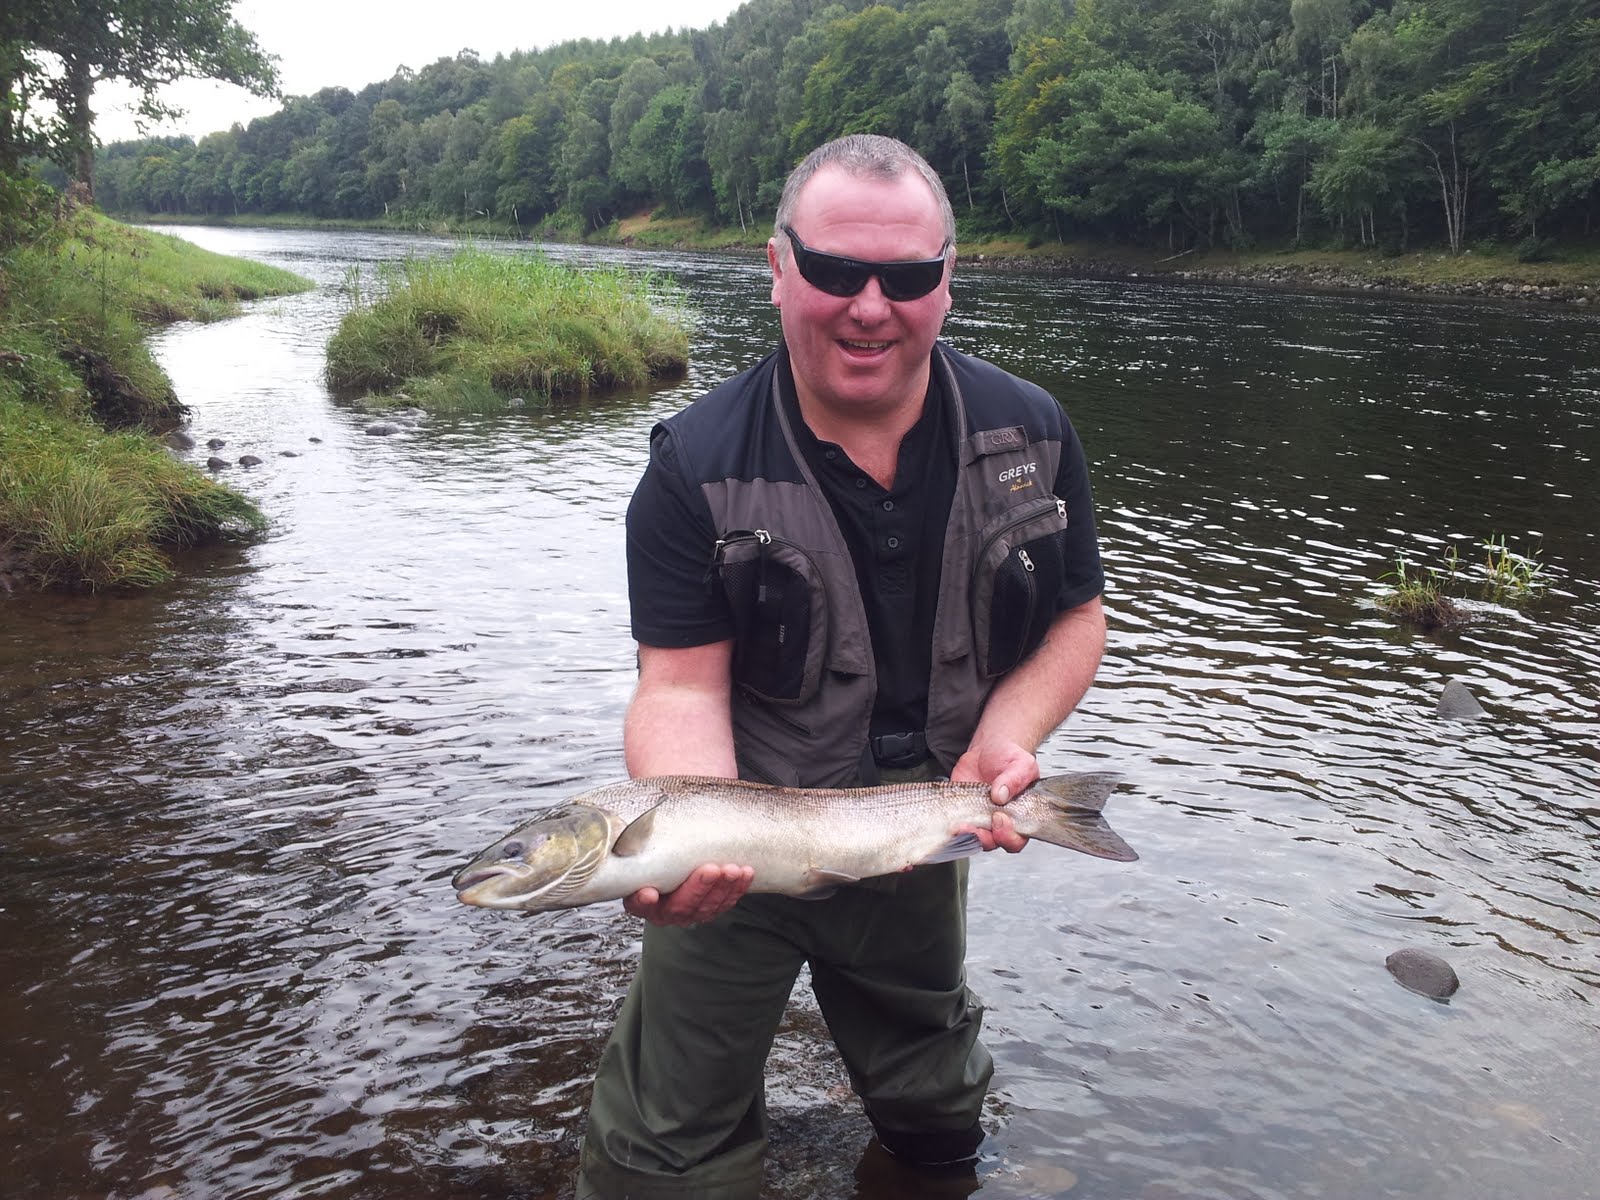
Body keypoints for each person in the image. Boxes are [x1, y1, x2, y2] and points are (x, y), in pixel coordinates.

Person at [576, 133, 1106, 1199]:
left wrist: (1007, 739)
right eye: (833, 270)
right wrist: (687, 840)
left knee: (936, 1108)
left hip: (919, 821)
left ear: (947, 280)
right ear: (778, 268)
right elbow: (679, 684)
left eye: (905, 278)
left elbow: (1076, 619)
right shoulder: (694, 467)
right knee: (663, 1156)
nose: (870, 307)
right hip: (743, 826)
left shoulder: (1032, 434)